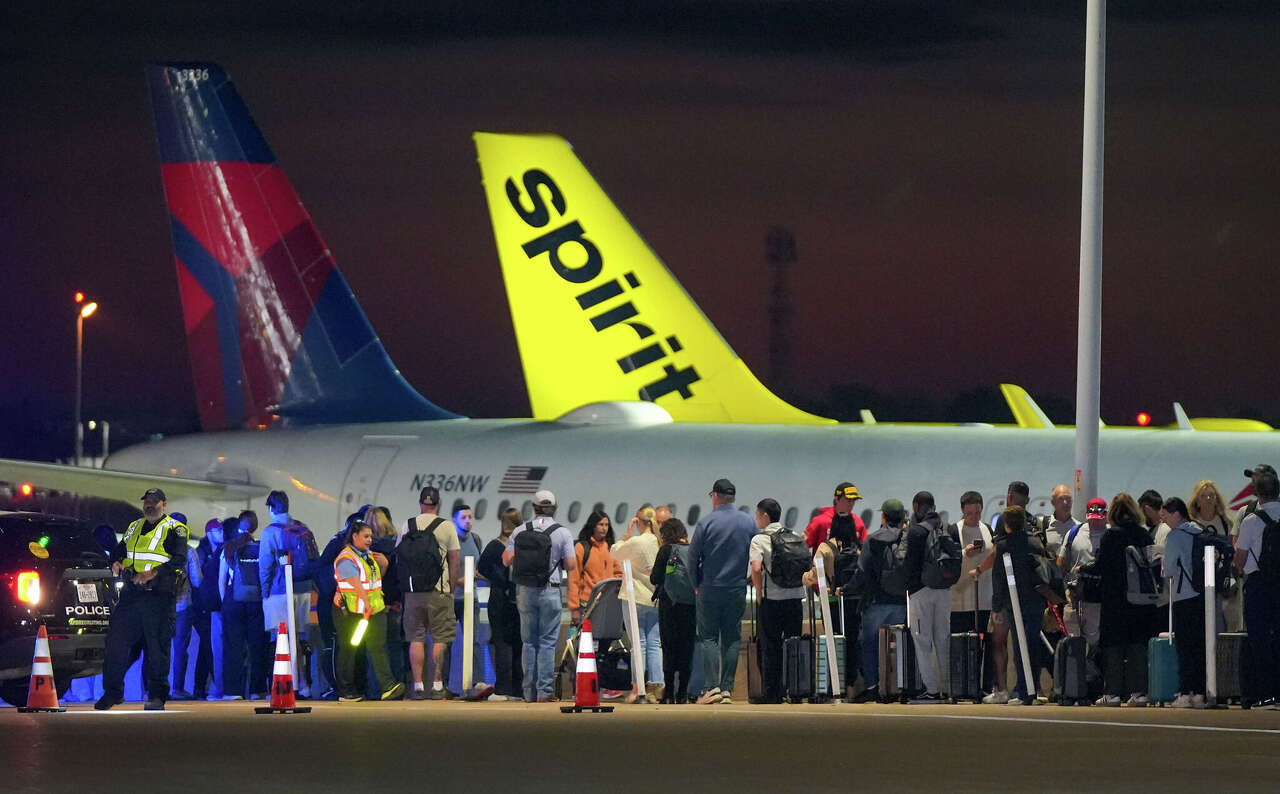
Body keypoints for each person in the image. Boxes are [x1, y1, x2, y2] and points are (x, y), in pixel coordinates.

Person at [95, 488, 189, 711]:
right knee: (116, 644)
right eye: (147, 501)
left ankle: (157, 696)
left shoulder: (175, 528)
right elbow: (120, 550)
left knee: (157, 650)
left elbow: (179, 559)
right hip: (131, 595)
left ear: (164, 505)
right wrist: (116, 561)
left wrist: (153, 573)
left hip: (159, 596)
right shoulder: (134, 526)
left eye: (154, 502)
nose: (149, 505)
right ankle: (112, 692)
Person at [503, 489, 576, 702]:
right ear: (554, 508)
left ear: (534, 508)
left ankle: (528, 692)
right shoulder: (562, 533)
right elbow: (571, 565)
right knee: (547, 642)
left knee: (528, 642)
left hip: (525, 591)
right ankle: (545, 691)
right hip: (550, 590)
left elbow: (506, 559)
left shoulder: (520, 530)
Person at [690, 478, 757, 705]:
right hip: (736, 587)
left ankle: (712, 688)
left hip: (710, 588)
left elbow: (692, 558)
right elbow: (758, 552)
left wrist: (695, 584)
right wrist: (749, 577)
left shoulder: (706, 523)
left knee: (708, 637)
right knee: (732, 638)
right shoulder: (748, 522)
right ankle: (727, 689)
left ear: (716, 496)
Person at [971, 506, 1047, 706]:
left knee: (1020, 647)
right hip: (1036, 600)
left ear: (1006, 525)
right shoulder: (1035, 542)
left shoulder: (1004, 546)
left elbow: (999, 579)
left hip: (1016, 602)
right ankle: (1032, 688)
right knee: (1032, 645)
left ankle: (1022, 690)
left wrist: (997, 608)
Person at [1094, 493, 1158, 706]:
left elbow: (1101, 567)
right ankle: (1139, 692)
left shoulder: (1111, 536)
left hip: (1115, 599)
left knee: (1113, 646)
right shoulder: (1144, 535)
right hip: (1141, 600)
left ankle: (1112, 693)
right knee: (1137, 645)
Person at [397, 486, 461, 700]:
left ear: (420, 503)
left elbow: (399, 557)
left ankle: (417, 686)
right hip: (438, 591)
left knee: (415, 637)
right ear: (438, 503)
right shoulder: (447, 526)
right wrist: (451, 588)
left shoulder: (407, 525)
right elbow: (454, 561)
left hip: (413, 591)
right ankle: (437, 684)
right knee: (440, 637)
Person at [332, 518, 403, 701]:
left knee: (377, 647)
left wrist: (384, 564)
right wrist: (366, 603)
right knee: (349, 649)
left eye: (371, 536)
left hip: (371, 611)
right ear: (354, 537)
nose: (370, 540)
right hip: (350, 612)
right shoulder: (346, 559)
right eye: (366, 536)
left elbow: (373, 580)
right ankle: (346, 690)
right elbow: (356, 585)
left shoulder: (368, 556)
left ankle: (388, 686)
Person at [257, 490, 319, 697]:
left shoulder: (270, 532)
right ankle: (304, 684)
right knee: (298, 639)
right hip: (303, 589)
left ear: (270, 508)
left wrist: (265, 592)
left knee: (281, 640)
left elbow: (265, 566)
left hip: (280, 591)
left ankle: (285, 686)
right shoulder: (303, 528)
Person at [749, 498, 809, 704]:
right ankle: (796, 690)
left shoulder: (759, 540)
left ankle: (772, 693)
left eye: (758, 515)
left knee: (771, 647)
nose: (757, 519)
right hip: (795, 599)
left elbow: (756, 568)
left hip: (772, 600)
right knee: (794, 645)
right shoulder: (795, 536)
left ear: (765, 516)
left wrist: (759, 592)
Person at [853, 499, 909, 703]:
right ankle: (899, 685)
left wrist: (848, 588)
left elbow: (862, 570)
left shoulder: (873, 539)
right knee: (899, 645)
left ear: (883, 516)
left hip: (876, 600)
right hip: (902, 600)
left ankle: (872, 687)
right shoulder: (908, 538)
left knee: (869, 643)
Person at [1233, 470, 1280, 709]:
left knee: (1260, 641)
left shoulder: (1251, 520)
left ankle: (1265, 695)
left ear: (1258, 494)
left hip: (1259, 585)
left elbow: (1240, 557)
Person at [612, 504, 664, 700]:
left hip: (636, 598)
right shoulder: (659, 542)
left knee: (638, 643)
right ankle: (657, 685)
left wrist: (626, 534)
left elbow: (615, 551)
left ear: (638, 522)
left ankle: (637, 687)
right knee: (654, 643)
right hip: (655, 599)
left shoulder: (636, 542)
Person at [903, 491, 950, 702]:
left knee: (923, 641)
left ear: (916, 507)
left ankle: (931, 689)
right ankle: (948, 687)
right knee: (943, 639)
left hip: (921, 592)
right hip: (944, 590)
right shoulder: (946, 528)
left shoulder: (915, 532)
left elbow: (909, 564)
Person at [1160, 497, 1206, 708]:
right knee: (1199, 645)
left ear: (1176, 514)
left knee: (1185, 646)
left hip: (1183, 595)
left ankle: (1186, 692)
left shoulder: (1175, 536)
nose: (1164, 521)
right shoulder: (1199, 531)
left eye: (1166, 516)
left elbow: (1168, 569)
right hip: (1202, 595)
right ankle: (1200, 691)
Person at [172, 517, 223, 700]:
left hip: (160, 606)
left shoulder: (157, 550)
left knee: (156, 648)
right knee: (180, 648)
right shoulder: (189, 551)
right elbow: (197, 581)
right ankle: (177, 689)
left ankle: (152, 689)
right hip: (183, 605)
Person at [219, 514, 269, 700]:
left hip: (234, 601)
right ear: (255, 527)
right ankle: (257, 690)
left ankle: (233, 691)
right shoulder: (260, 548)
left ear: (238, 526)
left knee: (233, 646)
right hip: (256, 601)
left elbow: (221, 580)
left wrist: (225, 603)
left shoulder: (229, 548)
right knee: (258, 646)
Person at [949, 491, 993, 693]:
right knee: (959, 646)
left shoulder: (988, 530)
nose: (974, 517)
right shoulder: (954, 531)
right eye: (969, 514)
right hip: (959, 599)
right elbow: (948, 560)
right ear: (962, 511)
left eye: (977, 513)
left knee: (985, 645)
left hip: (984, 598)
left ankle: (984, 687)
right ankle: (960, 687)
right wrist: (964, 553)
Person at [478, 507, 523, 701]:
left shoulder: (495, 546)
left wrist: (499, 581)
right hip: (520, 598)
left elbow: (482, 568)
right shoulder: (524, 546)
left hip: (499, 598)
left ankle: (503, 687)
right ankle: (519, 688)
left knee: (501, 642)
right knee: (519, 643)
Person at [651, 517, 696, 704]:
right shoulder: (693, 550)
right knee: (687, 647)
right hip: (690, 605)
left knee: (669, 647)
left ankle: (669, 692)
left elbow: (655, 578)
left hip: (669, 605)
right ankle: (683, 693)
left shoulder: (666, 550)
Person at [445, 504, 486, 694]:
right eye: (463, 517)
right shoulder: (449, 541)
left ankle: (477, 682)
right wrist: (457, 581)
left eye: (470, 517)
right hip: (452, 597)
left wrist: (476, 576)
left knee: (474, 640)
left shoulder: (475, 539)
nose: (468, 521)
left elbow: (479, 566)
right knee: (446, 641)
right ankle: (444, 684)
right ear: (454, 520)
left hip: (471, 597)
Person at [568, 510, 623, 625]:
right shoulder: (581, 548)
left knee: (605, 635)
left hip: (607, 603)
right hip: (586, 603)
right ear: (593, 526)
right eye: (601, 524)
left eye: (606, 525)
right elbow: (573, 579)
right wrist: (574, 608)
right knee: (587, 636)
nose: (604, 528)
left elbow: (618, 574)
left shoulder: (610, 548)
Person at [804, 481, 868, 553]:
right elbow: (802, 546)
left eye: (854, 500)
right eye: (848, 500)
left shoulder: (859, 523)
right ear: (837, 499)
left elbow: (866, 550)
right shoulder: (820, 522)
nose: (851, 504)